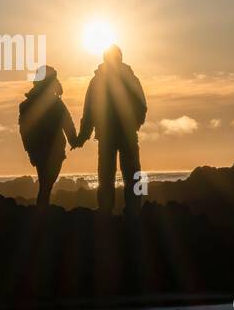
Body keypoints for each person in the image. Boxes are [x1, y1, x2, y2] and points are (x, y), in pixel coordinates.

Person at [75, 45, 147, 215]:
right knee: (129, 173)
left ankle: (109, 209)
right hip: (118, 134)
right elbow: (142, 105)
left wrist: (83, 136)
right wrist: (135, 124)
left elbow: (89, 111)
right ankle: (127, 208)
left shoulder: (101, 80)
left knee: (113, 174)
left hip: (112, 134)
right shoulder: (127, 78)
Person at [18, 65, 79, 207]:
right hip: (53, 151)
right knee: (46, 187)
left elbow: (24, 131)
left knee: (45, 185)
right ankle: (42, 216)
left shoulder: (26, 105)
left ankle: (42, 214)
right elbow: (67, 122)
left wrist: (30, 152)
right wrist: (74, 141)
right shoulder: (55, 102)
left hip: (39, 151)